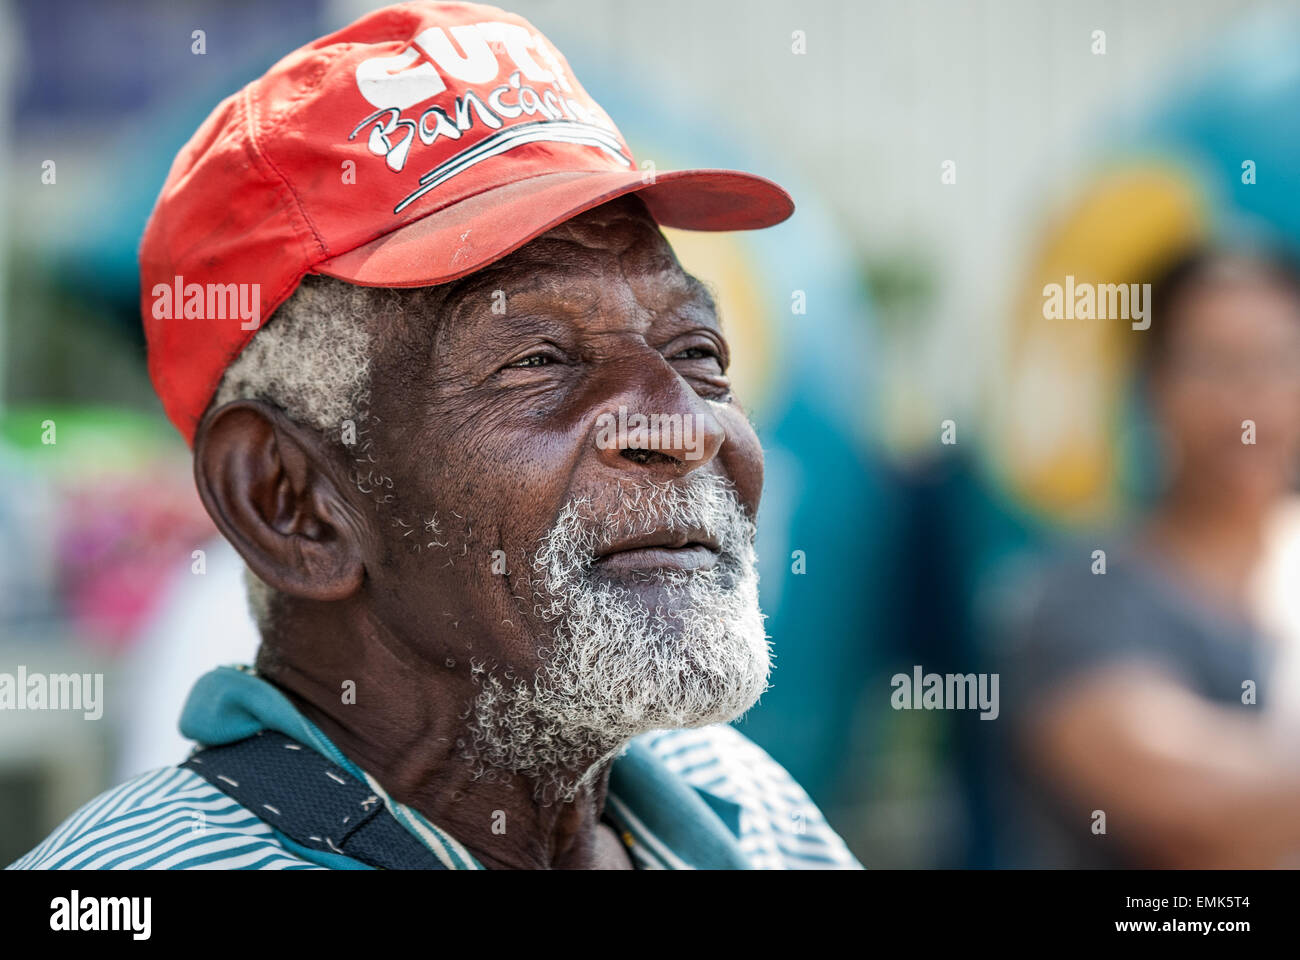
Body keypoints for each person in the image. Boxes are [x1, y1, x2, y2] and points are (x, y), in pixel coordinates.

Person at [8, 1, 860, 870]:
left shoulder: (747, 809)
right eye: (538, 360)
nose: (680, 422)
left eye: (697, 351)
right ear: (288, 501)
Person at [1001, 244, 1300, 867]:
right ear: (1152, 385)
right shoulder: (1083, 594)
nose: (1248, 397)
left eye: (1275, 360)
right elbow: (1194, 816)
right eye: (1212, 363)